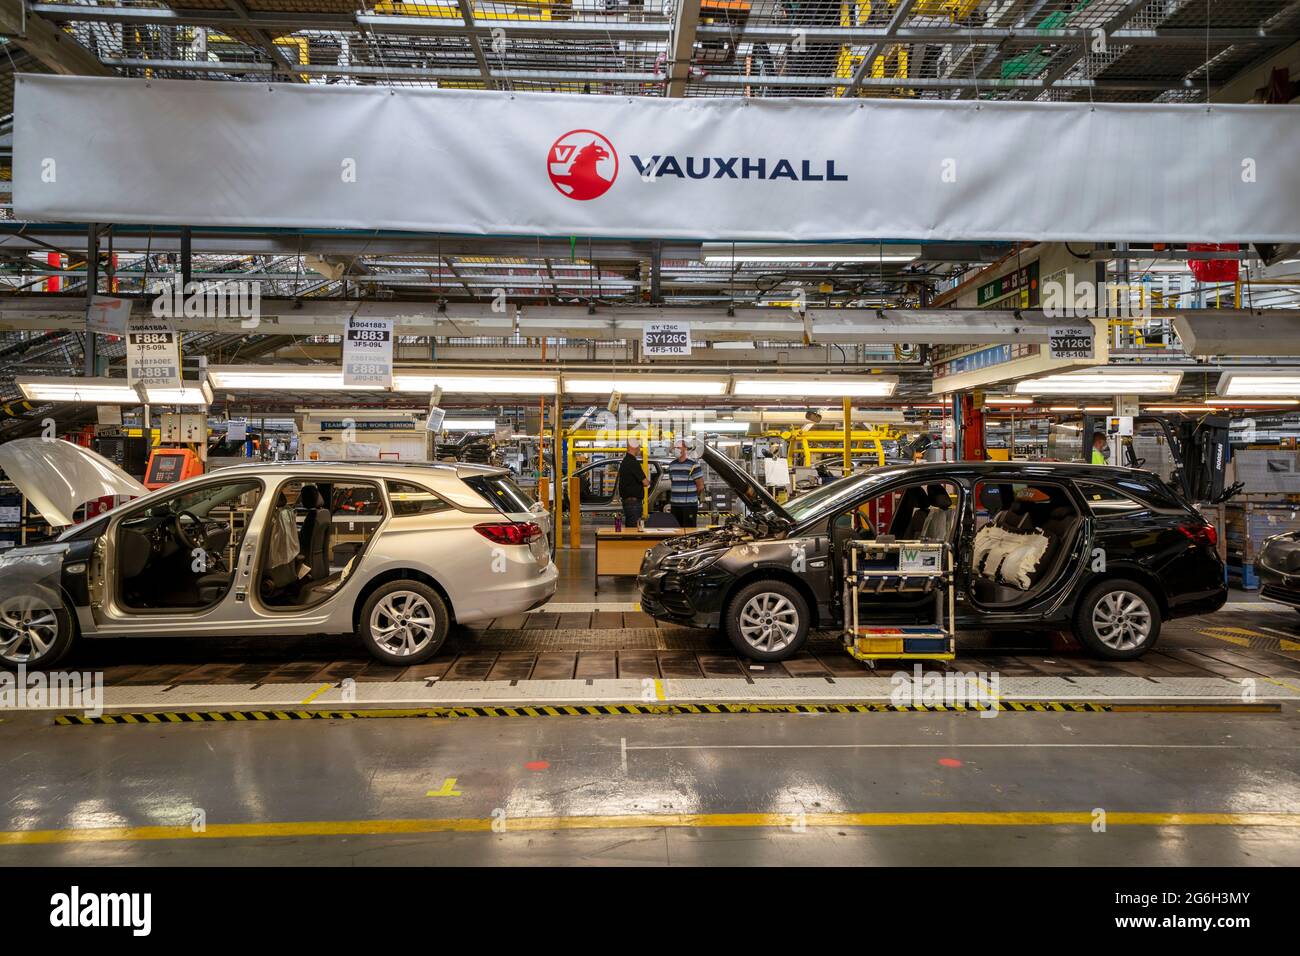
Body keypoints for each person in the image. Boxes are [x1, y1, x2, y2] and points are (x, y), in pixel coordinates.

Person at [667, 439, 705, 528]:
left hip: (689, 506)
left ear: (685, 449)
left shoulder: (694, 465)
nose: (675, 449)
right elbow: (673, 482)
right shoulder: (672, 465)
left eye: (678, 447)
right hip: (675, 505)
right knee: (676, 530)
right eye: (675, 447)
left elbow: (700, 486)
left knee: (689, 530)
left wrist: (694, 497)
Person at [616, 437, 649, 530]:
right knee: (633, 531)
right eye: (638, 446)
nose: (639, 449)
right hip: (633, 504)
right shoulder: (633, 462)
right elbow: (645, 482)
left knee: (630, 529)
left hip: (629, 502)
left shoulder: (625, 461)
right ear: (633, 447)